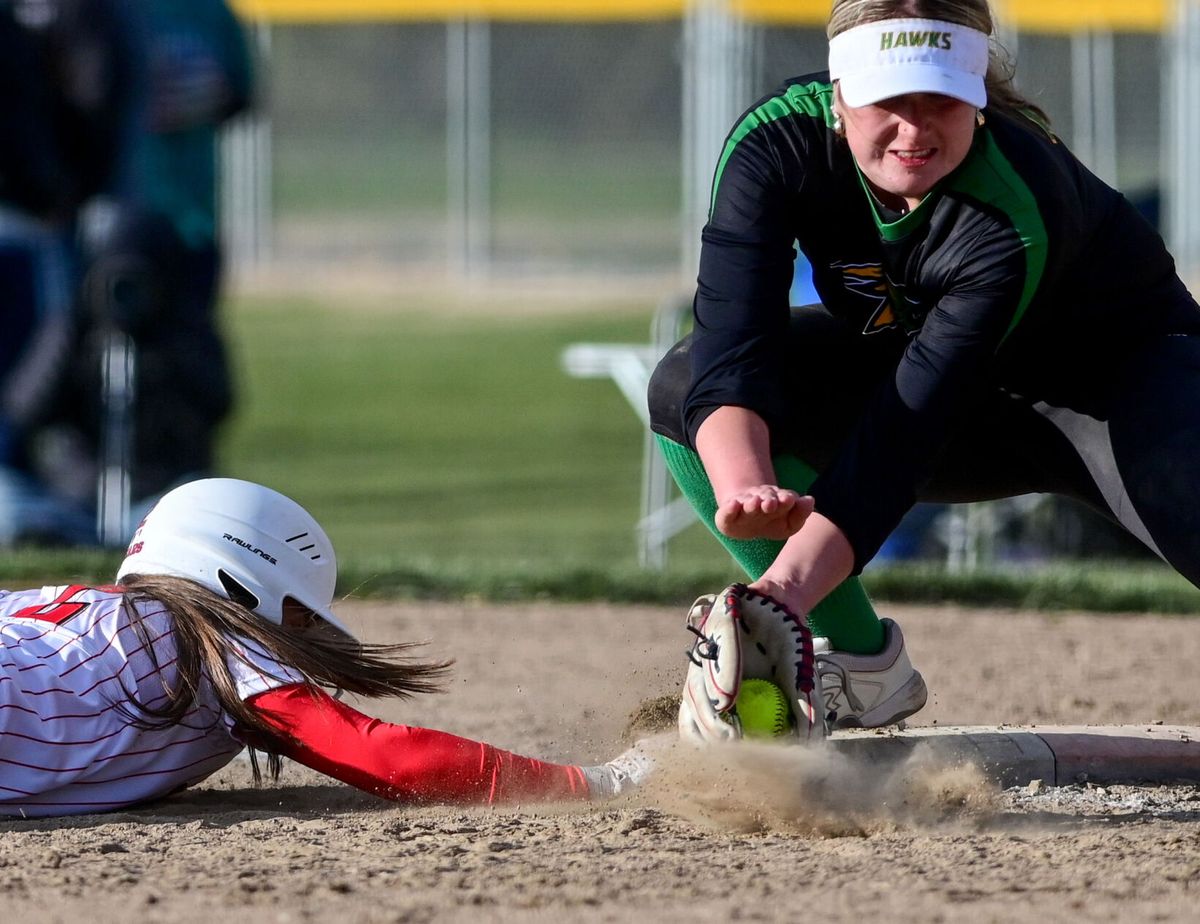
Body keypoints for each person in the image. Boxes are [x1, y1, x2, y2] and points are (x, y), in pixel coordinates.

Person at [652, 0, 1200, 742]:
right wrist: (745, 485)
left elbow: (900, 442)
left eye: (940, 98)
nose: (913, 129)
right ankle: (856, 662)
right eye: (887, 100)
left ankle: (798, 620)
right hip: (933, 388)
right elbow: (731, 343)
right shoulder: (775, 144)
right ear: (839, 97)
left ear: (977, 100)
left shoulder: (1010, 207)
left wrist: (776, 593)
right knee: (682, 383)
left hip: (1116, 394)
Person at [0, 478, 649, 817]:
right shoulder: (217, 633)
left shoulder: (62, 604)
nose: (299, 637)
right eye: (295, 616)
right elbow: (383, 755)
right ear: (241, 583)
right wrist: (593, 782)